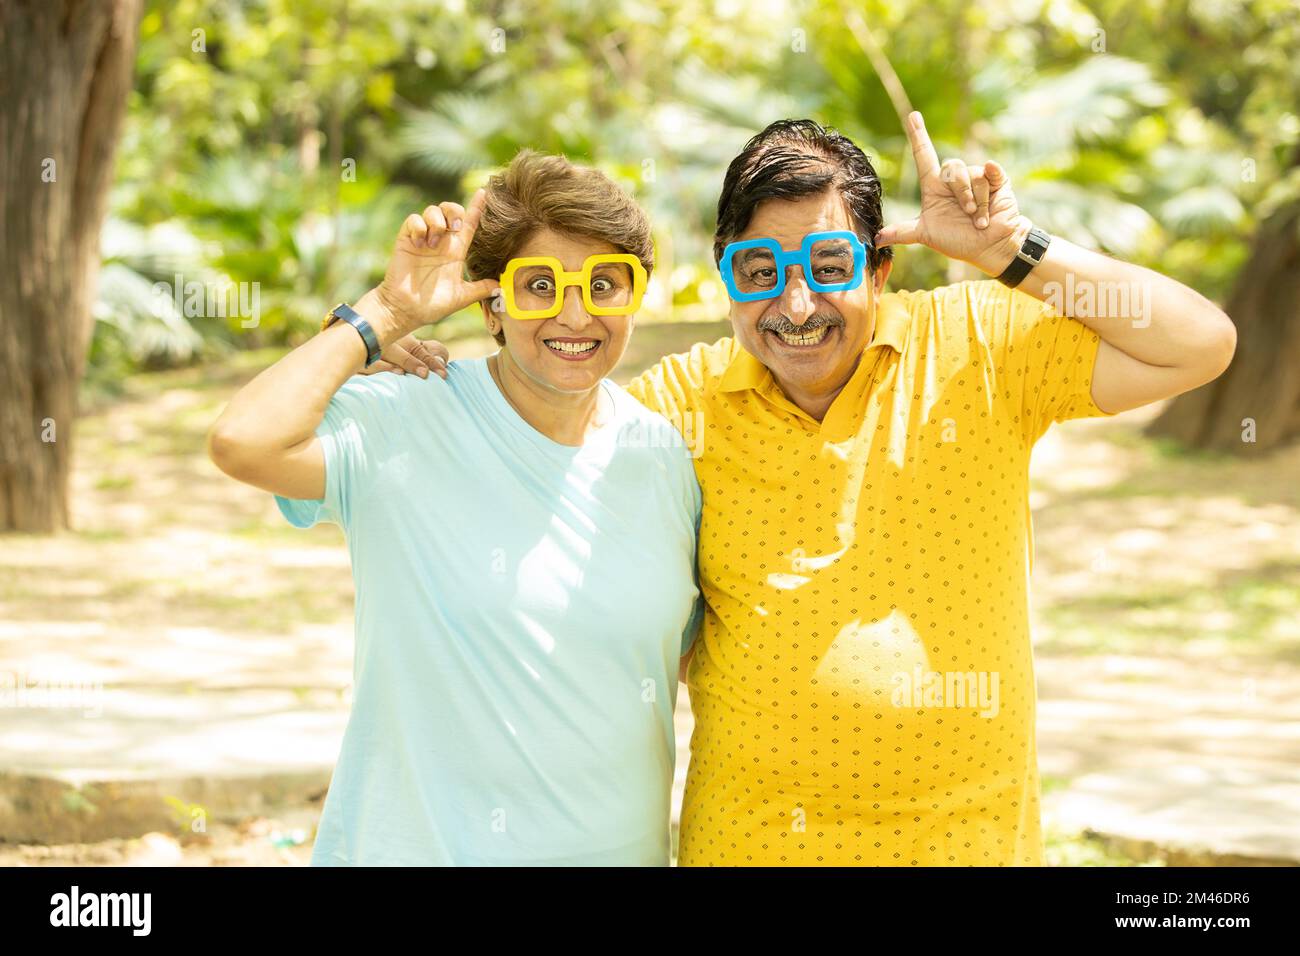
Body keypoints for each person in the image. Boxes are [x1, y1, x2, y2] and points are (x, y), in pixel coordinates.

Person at [395, 111, 1236, 866]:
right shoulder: (674, 407)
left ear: (878, 269)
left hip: (965, 844)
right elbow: (522, 424)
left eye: (828, 264)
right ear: (726, 274)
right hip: (750, 845)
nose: (795, 304)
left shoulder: (982, 343)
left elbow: (1196, 344)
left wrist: (1011, 249)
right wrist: (382, 333)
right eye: (758, 270)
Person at [207, 150, 702, 866]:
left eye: (605, 284)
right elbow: (241, 440)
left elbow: (683, 658)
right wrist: (382, 314)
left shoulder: (663, 456)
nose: (575, 313)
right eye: (539, 286)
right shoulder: (404, 418)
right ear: (490, 301)